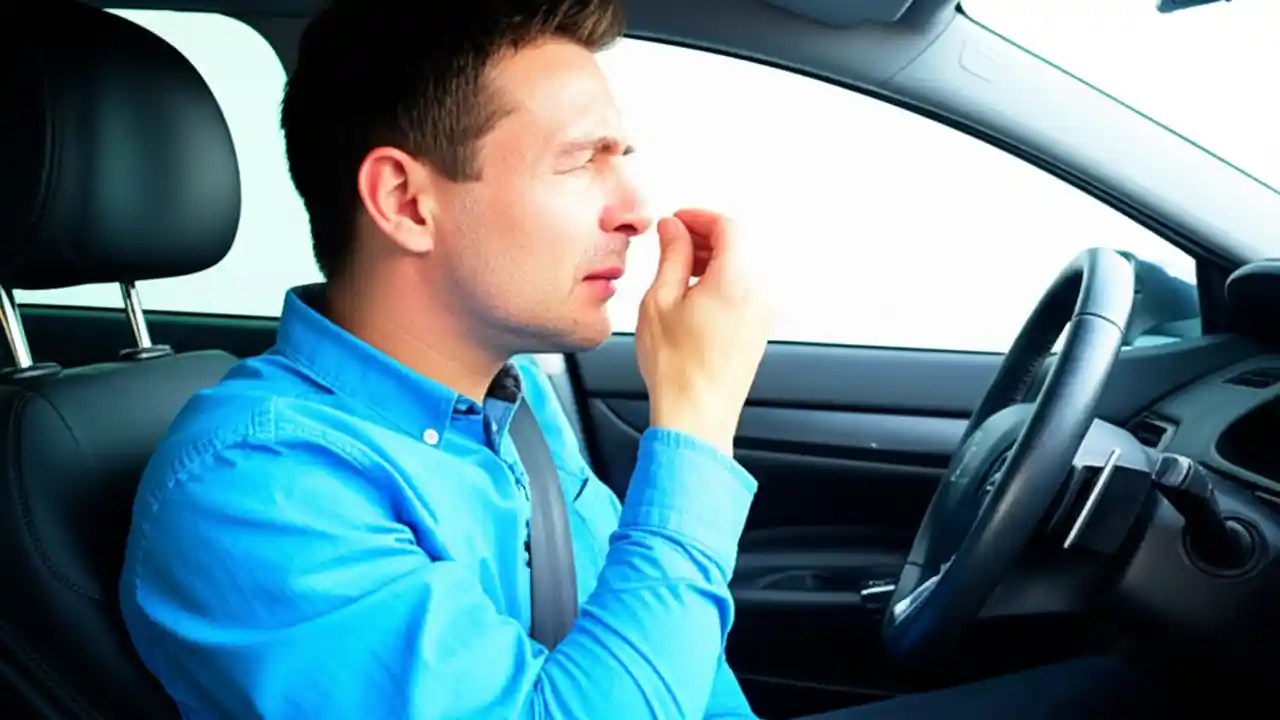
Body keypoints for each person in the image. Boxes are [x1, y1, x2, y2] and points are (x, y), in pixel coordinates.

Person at [117, 1, 1173, 718]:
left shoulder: (509, 398)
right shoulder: (255, 484)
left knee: (1123, 692)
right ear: (405, 200)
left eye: (622, 156)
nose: (635, 209)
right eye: (582, 161)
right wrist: (694, 423)